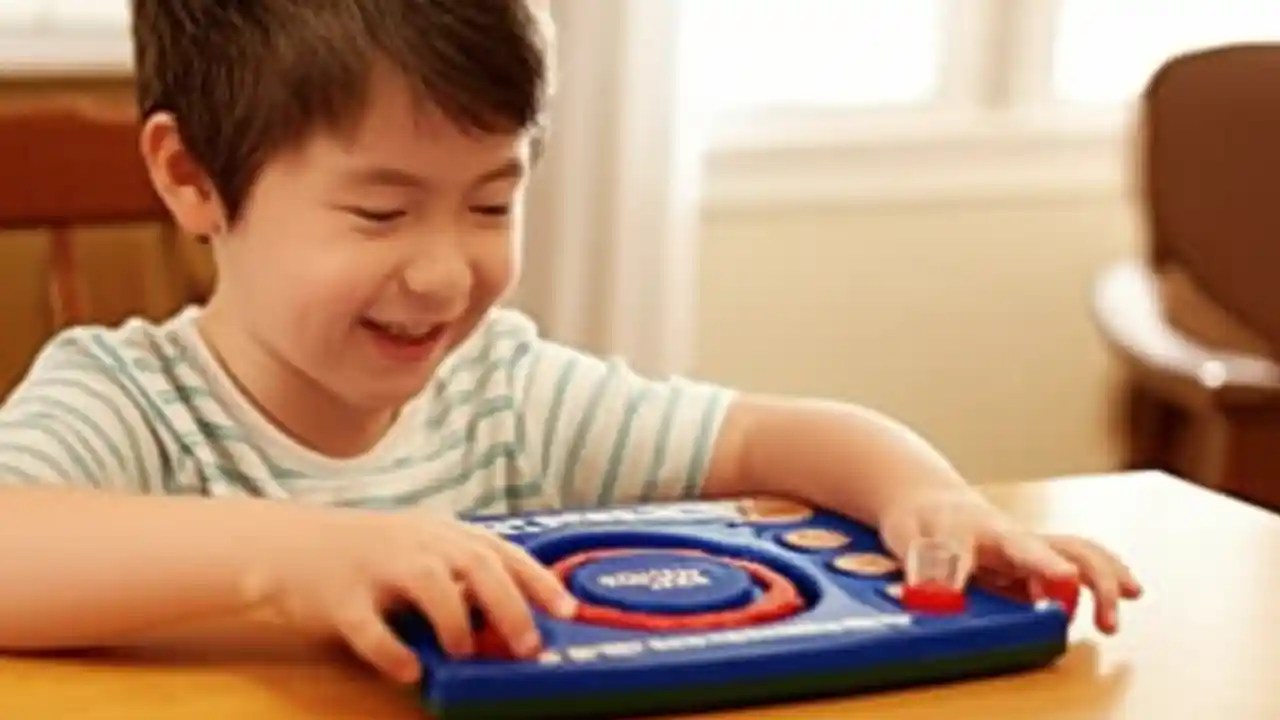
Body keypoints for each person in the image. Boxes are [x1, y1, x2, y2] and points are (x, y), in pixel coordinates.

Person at [0, 0, 1140, 685]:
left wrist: (929, 500)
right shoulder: (129, 400)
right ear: (191, 179)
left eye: (491, 204)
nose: (446, 271)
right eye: (380, 213)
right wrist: (289, 557)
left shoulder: (505, 395)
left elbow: (774, 436)